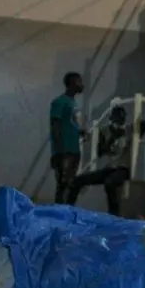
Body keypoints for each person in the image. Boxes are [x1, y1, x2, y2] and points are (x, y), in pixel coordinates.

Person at [66, 106, 145, 215]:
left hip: (123, 168)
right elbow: (101, 151)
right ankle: (67, 211)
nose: (117, 124)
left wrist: (125, 131)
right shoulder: (105, 131)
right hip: (110, 167)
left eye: (120, 121)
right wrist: (111, 138)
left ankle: (114, 214)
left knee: (110, 183)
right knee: (78, 181)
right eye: (116, 121)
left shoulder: (128, 130)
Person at [50, 72, 85, 203]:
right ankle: (60, 214)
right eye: (79, 81)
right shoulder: (59, 102)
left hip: (74, 149)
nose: (82, 85)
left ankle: (68, 213)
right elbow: (55, 126)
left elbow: (72, 123)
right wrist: (58, 152)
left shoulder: (74, 103)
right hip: (64, 151)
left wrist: (80, 131)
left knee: (71, 184)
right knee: (63, 185)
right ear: (71, 84)